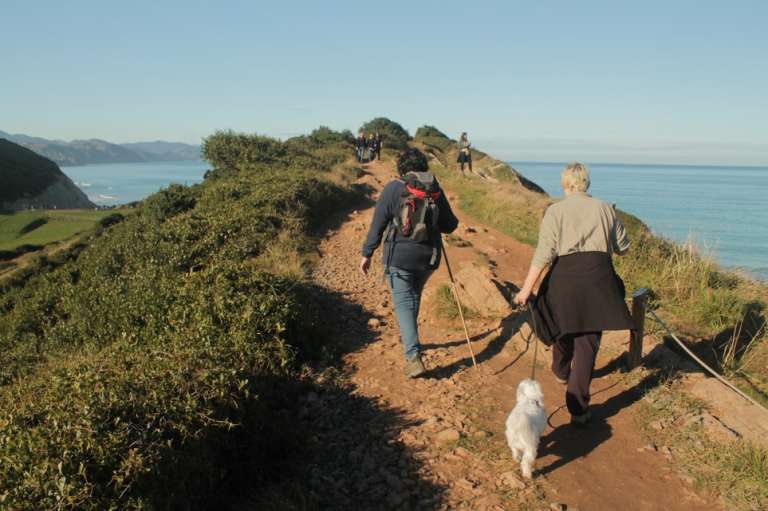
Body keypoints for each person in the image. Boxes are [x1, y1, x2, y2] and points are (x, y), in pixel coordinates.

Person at [514, 162, 633, 426]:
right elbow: (624, 247)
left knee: (563, 325)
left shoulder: (555, 211)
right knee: (589, 342)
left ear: (565, 184)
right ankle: (578, 409)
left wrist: (526, 289)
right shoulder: (606, 209)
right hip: (598, 279)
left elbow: (544, 254)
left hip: (565, 277)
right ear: (586, 184)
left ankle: (559, 369)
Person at [360, 148, 459, 377]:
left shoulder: (394, 188)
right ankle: (411, 338)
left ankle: (413, 357)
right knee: (412, 298)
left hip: (399, 258)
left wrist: (367, 253)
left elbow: (378, 225)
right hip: (428, 258)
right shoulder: (434, 190)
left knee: (405, 304)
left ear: (401, 169)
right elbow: (451, 225)